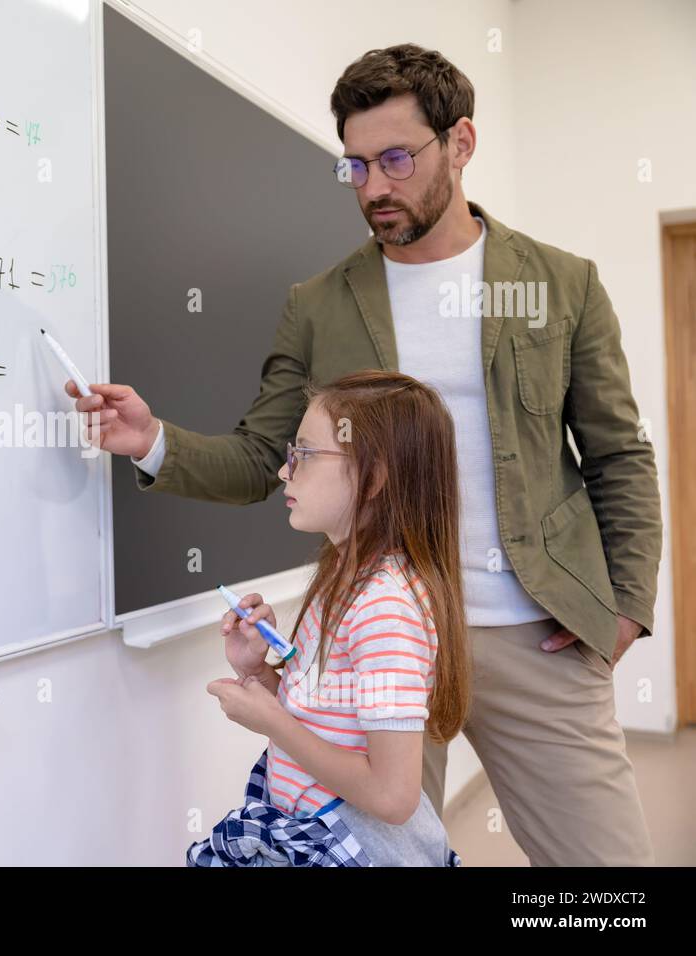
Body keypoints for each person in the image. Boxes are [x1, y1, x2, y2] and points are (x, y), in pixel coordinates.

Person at [70, 44, 660, 866]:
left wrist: (626, 605)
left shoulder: (564, 285)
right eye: (354, 165)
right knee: (377, 854)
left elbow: (619, 456)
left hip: (536, 629)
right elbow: (261, 457)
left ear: (460, 143)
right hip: (374, 632)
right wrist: (152, 440)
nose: (373, 187)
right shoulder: (317, 304)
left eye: (395, 159)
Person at [189, 372, 466, 867]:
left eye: (305, 454)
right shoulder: (343, 577)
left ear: (375, 478)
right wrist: (260, 674)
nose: (283, 471)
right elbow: (327, 717)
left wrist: (271, 722)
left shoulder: (385, 607)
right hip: (312, 832)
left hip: (350, 847)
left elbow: (392, 796)